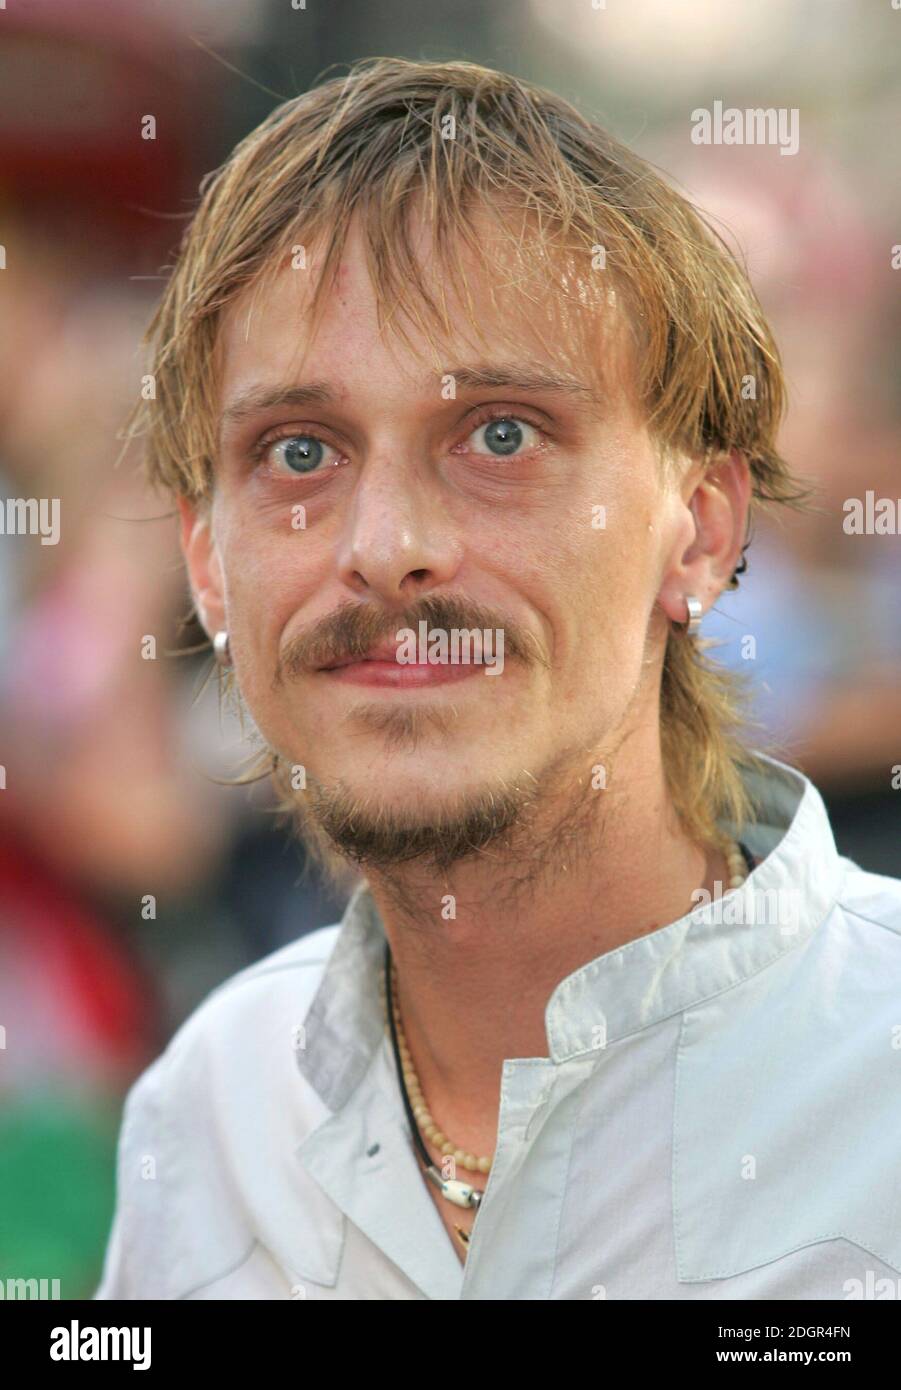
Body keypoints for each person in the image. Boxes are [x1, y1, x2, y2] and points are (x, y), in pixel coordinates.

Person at [95, 57, 901, 1300]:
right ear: (207, 564)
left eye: (501, 435)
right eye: (298, 451)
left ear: (698, 532)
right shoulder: (208, 1115)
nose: (384, 549)